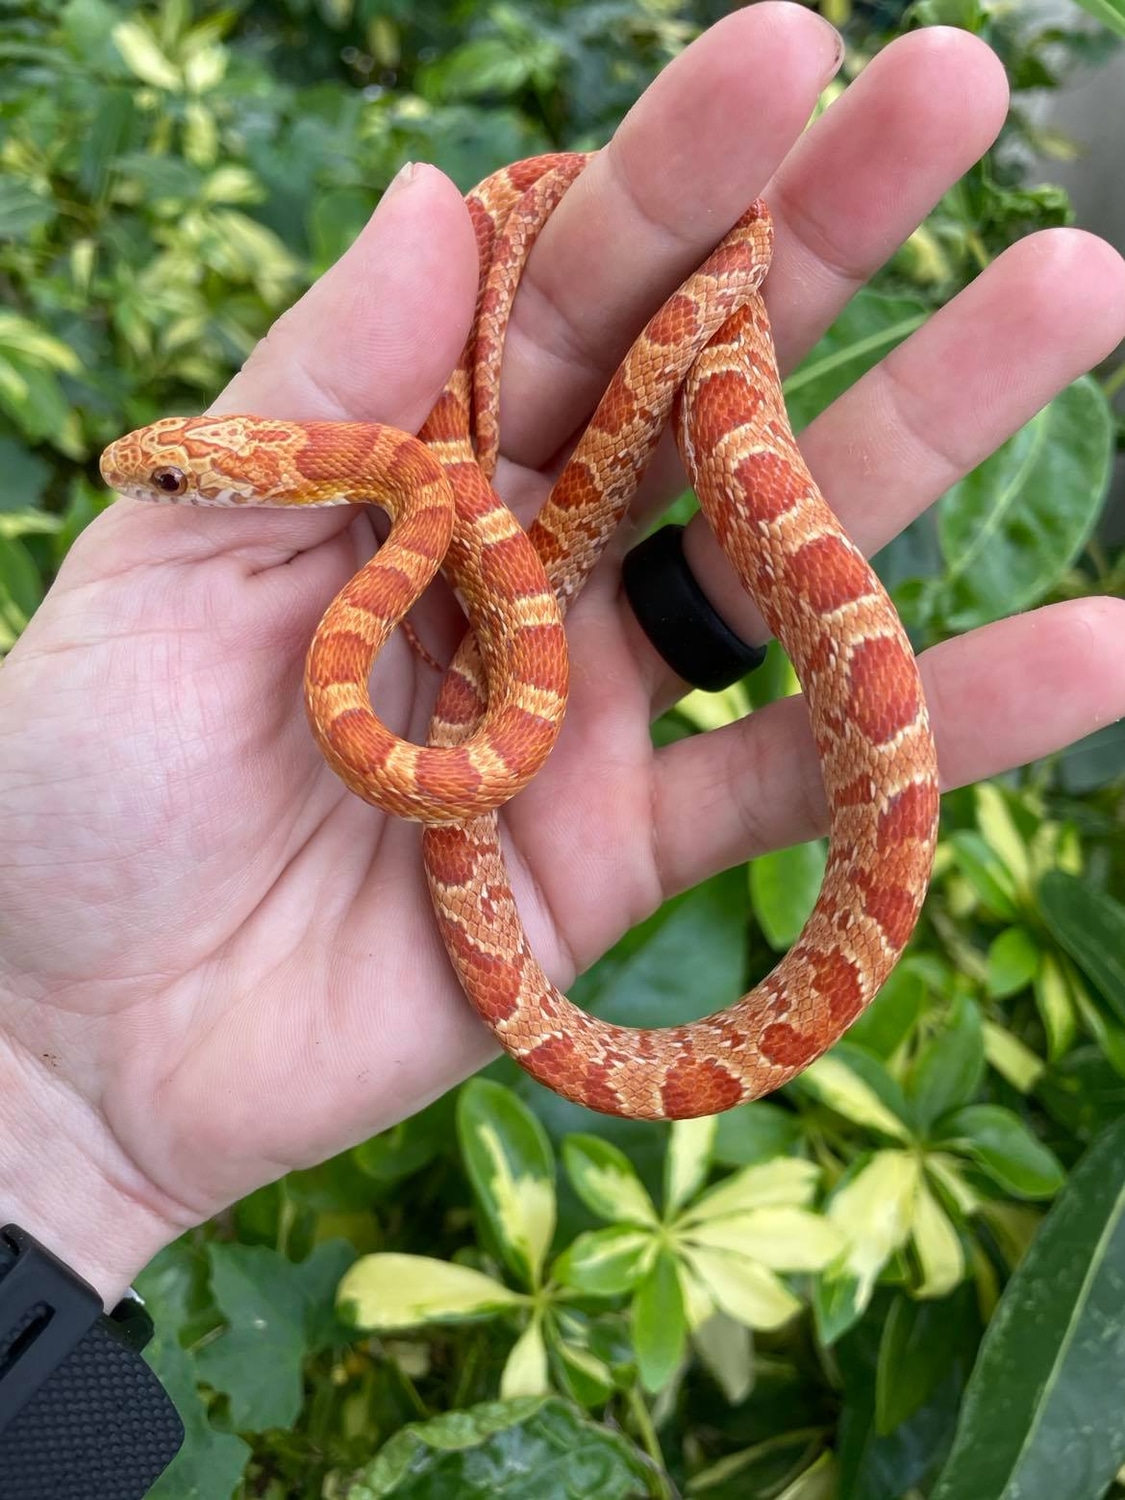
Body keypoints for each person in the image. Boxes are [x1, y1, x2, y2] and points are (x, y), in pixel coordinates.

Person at [3, 4, 1125, 1317]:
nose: (164, 483)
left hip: (479, 526)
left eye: (181, 471)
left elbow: (450, 499)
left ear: (248, 461)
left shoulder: (403, 514)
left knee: (713, 312)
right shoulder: (402, 522)